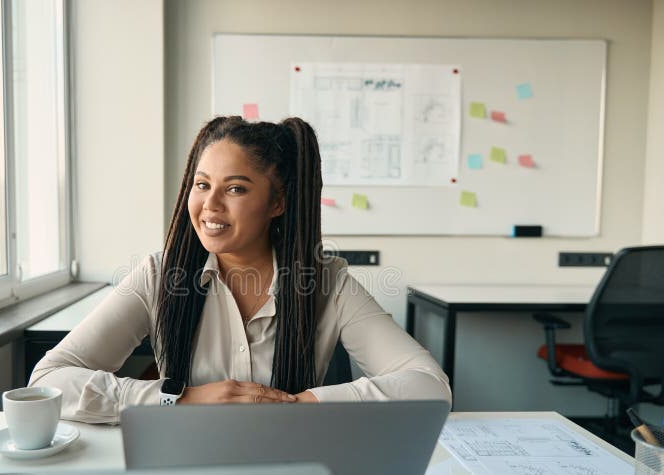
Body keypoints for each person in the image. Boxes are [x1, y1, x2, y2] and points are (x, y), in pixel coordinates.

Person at [29, 116, 451, 423]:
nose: (210, 205)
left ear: (277, 203)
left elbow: (428, 386)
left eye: (235, 188)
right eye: (202, 184)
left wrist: (300, 405)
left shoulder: (327, 283)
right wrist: (180, 399)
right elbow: (48, 381)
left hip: (289, 465)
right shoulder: (159, 276)